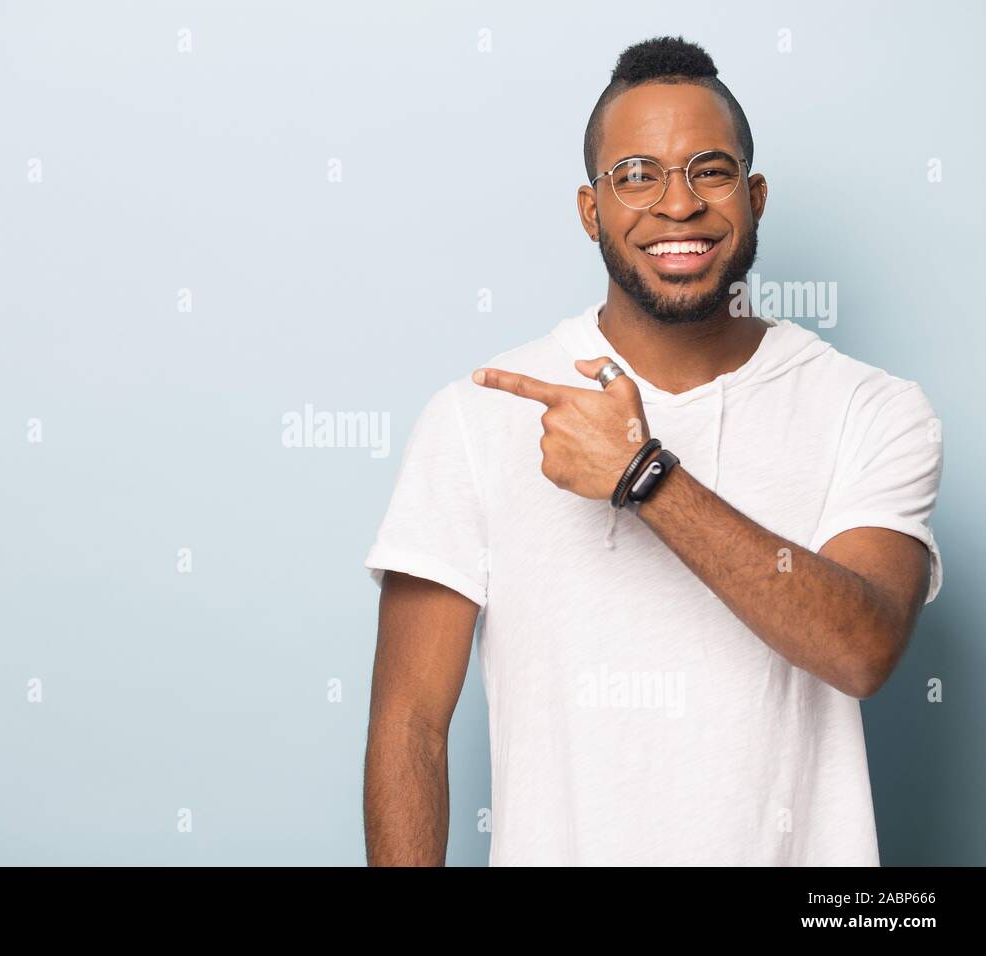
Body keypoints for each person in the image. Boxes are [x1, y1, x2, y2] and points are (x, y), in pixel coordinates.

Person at [362, 36, 944, 866]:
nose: (678, 205)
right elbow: (409, 727)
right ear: (591, 210)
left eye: (710, 170)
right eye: (636, 174)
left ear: (755, 195)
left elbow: (863, 649)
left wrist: (645, 477)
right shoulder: (475, 416)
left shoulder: (873, 409)